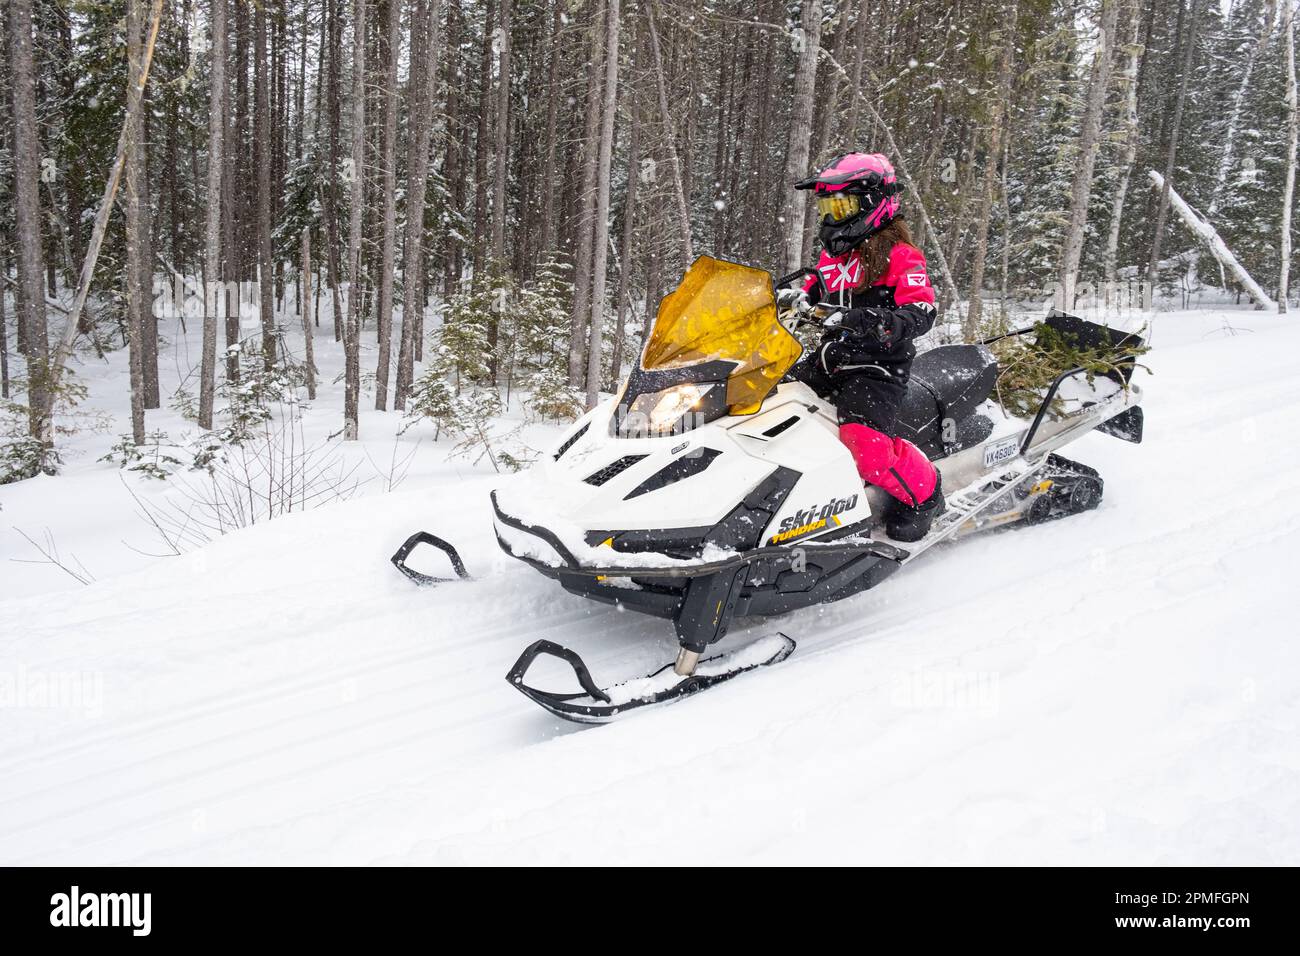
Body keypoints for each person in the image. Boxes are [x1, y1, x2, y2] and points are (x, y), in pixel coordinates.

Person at [783, 152, 946, 542]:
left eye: (843, 205)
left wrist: (872, 320)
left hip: (879, 367)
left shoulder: (903, 257)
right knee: (766, 409)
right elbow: (811, 291)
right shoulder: (832, 257)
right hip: (831, 358)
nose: (834, 215)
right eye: (828, 206)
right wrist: (783, 299)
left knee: (864, 450)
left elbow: (921, 312)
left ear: (873, 204)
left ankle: (926, 493)